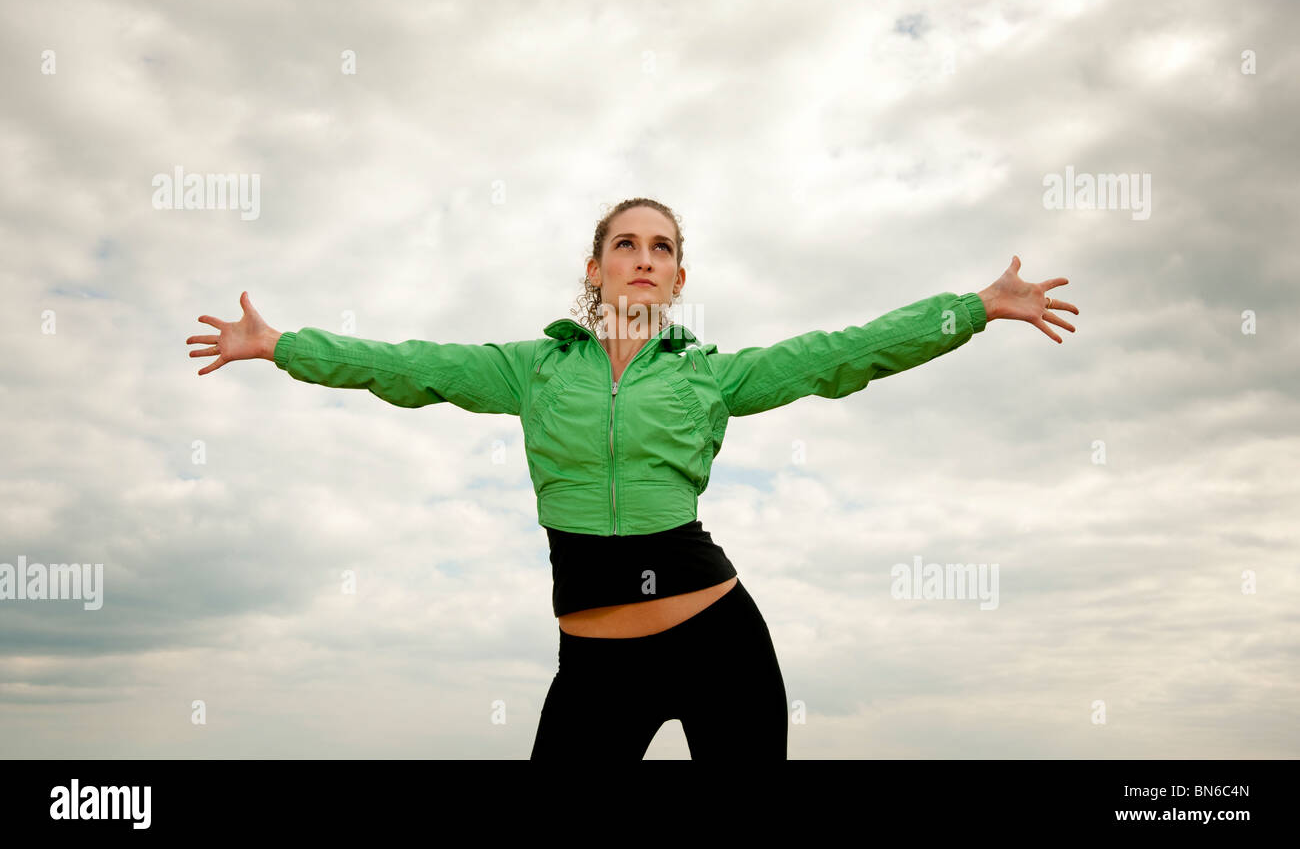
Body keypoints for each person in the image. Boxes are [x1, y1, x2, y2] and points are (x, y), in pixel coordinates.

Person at [187, 198, 1078, 759]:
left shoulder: (711, 376)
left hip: (717, 643)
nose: (642, 257)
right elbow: (409, 365)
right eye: (625, 244)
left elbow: (841, 356)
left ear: (679, 276)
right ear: (596, 267)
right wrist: (282, 346)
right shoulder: (530, 370)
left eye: (661, 247)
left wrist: (973, 309)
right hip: (594, 663)